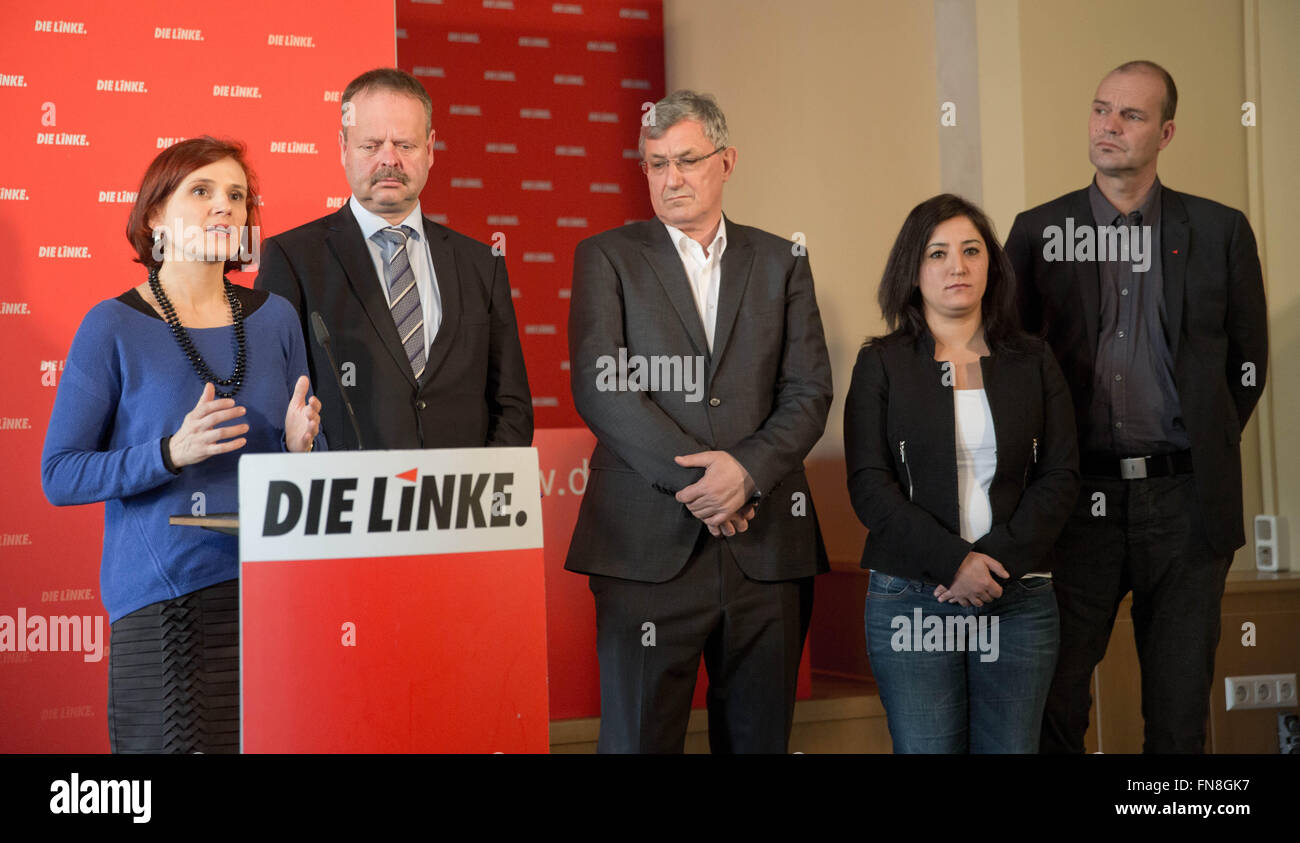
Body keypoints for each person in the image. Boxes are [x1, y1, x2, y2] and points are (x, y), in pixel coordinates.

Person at [1007, 60, 1269, 753]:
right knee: (1052, 702)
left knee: (1179, 715)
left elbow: (1248, 365)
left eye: (1130, 115)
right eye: (1100, 110)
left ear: (1167, 131)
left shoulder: (1218, 231)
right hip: (1075, 502)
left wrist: (1197, 445)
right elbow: (1010, 366)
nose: (1109, 127)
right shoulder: (1037, 233)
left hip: (1185, 504)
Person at [565, 90, 833, 753]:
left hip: (765, 549)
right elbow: (603, 390)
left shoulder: (782, 261)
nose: (670, 178)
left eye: (686, 159)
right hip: (643, 548)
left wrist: (744, 473)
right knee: (637, 741)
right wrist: (702, 484)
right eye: (655, 163)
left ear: (727, 161)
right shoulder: (607, 257)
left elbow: (808, 390)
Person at [41, 136, 323, 753]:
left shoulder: (275, 317)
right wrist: (170, 452)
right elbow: (60, 474)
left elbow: (303, 463)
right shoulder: (112, 325)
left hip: (275, 597)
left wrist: (304, 452)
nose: (225, 207)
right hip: (167, 603)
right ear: (154, 217)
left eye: (237, 195)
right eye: (202, 191)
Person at [845, 194, 1080, 753]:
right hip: (911, 596)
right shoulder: (882, 363)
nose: (958, 266)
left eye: (972, 251)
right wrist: (955, 562)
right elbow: (868, 485)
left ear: (991, 266)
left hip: (1018, 597)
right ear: (913, 269)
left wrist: (991, 564)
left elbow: (1061, 475)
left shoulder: (1033, 359)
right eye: (938, 253)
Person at [255, 67, 532, 449]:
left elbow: (511, 403)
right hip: (348, 498)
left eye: (405, 145)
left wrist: (487, 489)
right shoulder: (293, 258)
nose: (390, 160)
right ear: (343, 148)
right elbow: (274, 397)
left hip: (460, 498)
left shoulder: (481, 263)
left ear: (430, 149)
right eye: (371, 145)